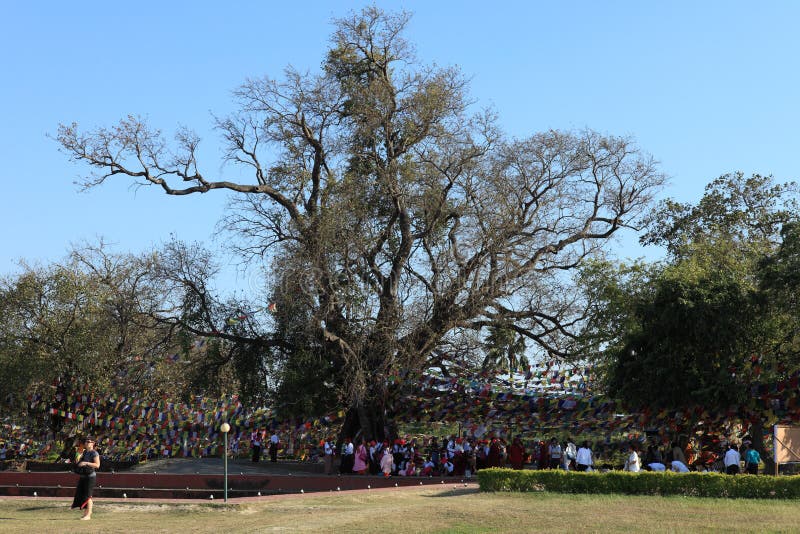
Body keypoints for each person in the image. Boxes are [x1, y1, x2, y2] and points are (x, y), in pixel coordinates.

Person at [71, 437, 100, 520]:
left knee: (88, 496)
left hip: (90, 477)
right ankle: (86, 513)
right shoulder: (85, 452)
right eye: (86, 442)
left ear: (93, 443)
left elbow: (97, 465)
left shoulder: (94, 453)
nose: (86, 443)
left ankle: (88, 515)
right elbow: (79, 462)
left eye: (89, 442)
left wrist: (86, 463)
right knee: (83, 496)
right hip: (83, 476)